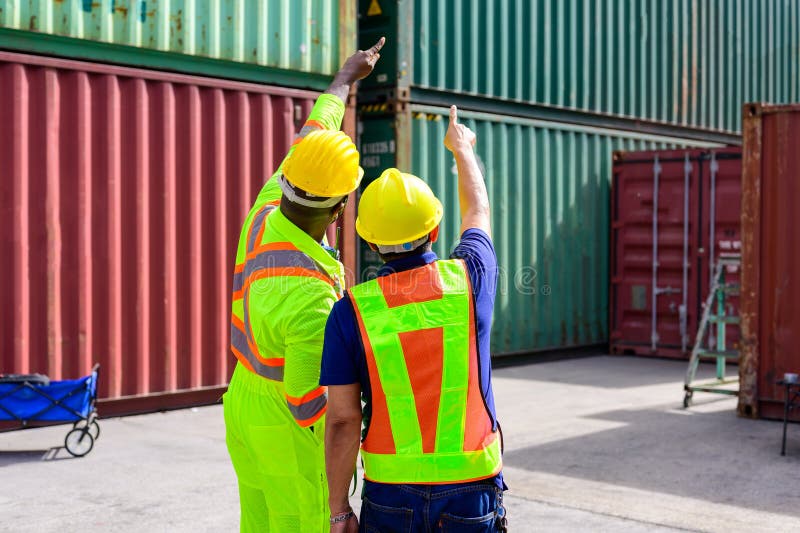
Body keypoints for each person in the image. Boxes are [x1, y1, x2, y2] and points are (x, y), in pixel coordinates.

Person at [224, 37, 385, 532]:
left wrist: (342, 82)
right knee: (301, 521)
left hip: (243, 402)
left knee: (259, 521)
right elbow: (307, 402)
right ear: (340, 210)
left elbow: (313, 136)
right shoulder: (312, 292)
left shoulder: (265, 208)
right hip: (283, 426)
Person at [321, 105, 508, 533]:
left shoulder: (351, 310)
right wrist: (462, 149)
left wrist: (338, 510)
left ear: (368, 239)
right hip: (470, 490)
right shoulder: (469, 280)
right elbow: (478, 212)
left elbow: (344, 418)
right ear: (435, 230)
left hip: (391, 495)